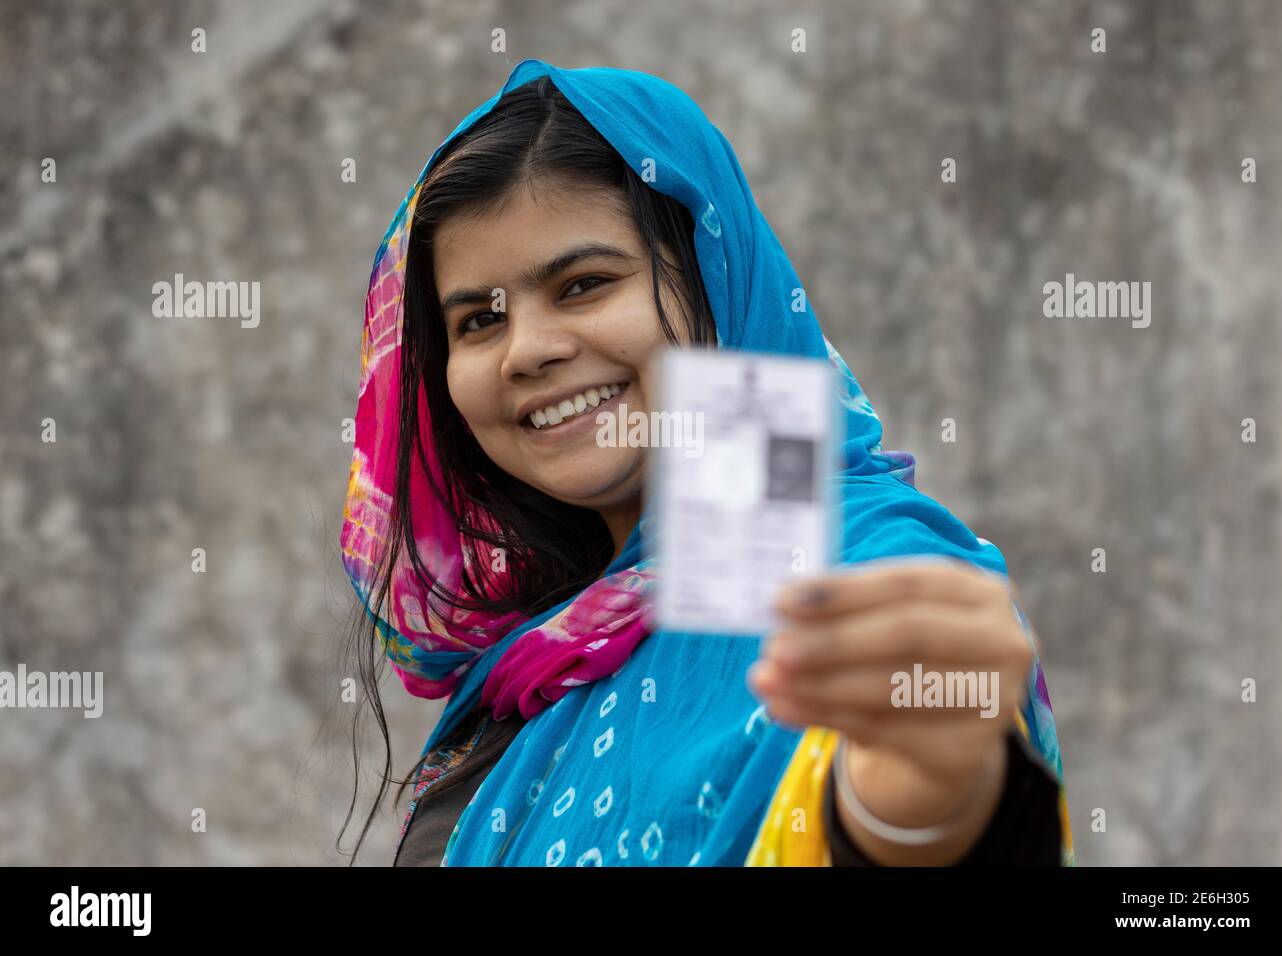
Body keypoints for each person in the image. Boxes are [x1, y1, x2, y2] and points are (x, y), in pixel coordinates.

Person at [339, 59, 1074, 867]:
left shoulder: (860, 574)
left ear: (718, 280)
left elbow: (923, 803)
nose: (529, 351)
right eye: (479, 321)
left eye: (584, 284)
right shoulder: (538, 658)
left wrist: (924, 799)